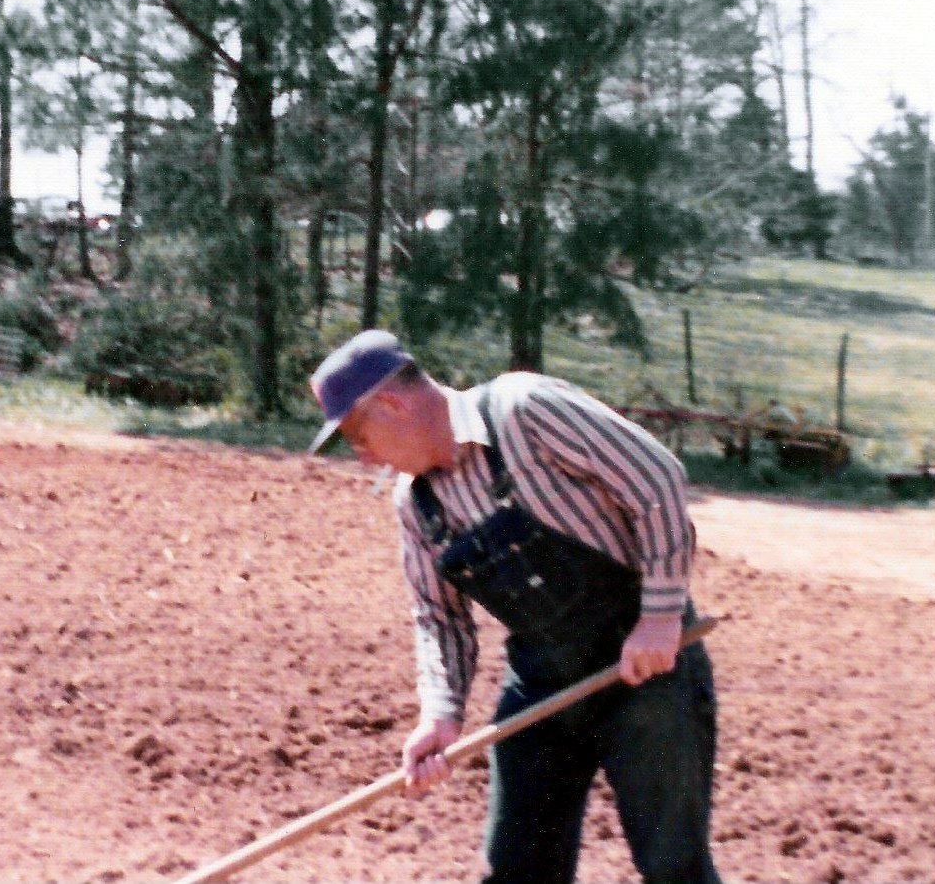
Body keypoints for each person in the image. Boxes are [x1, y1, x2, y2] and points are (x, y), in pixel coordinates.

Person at [309, 329, 720, 884]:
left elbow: (656, 478)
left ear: (392, 403)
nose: (362, 458)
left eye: (357, 436)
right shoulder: (416, 504)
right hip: (543, 682)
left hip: (650, 666)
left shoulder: (526, 410)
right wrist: (441, 712)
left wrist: (660, 615)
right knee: (517, 871)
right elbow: (439, 616)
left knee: (674, 870)